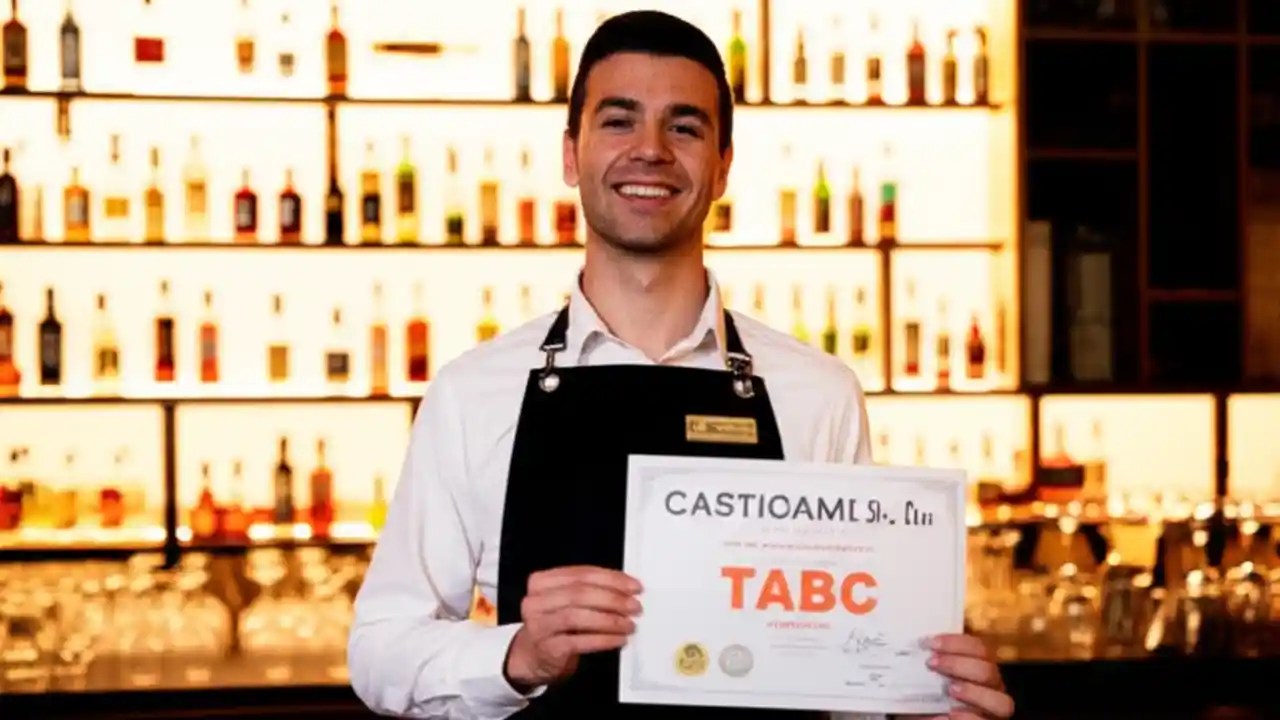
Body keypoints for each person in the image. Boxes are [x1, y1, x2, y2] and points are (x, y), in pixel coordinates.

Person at [348, 10, 1015, 720]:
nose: (651, 150)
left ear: (723, 166)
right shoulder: (472, 392)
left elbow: (841, 676)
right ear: (571, 156)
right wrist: (516, 654)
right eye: (619, 121)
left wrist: (923, 708)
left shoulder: (819, 394)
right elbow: (380, 649)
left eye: (685, 127)